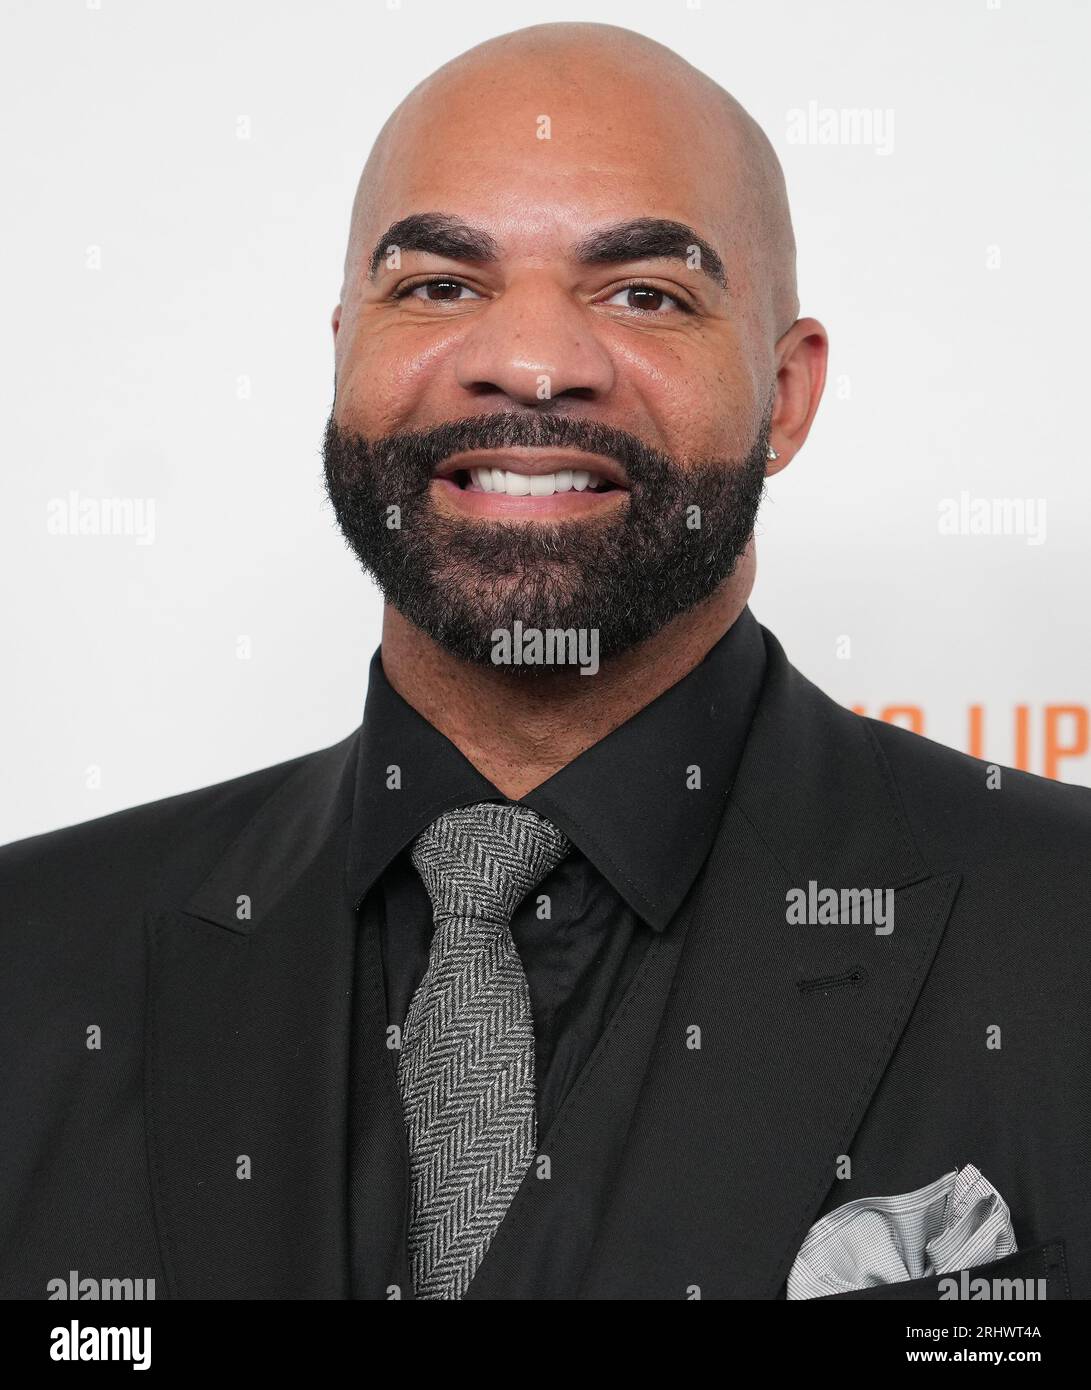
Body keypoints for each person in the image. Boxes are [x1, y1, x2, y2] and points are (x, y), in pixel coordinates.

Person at [2, 23, 1088, 1302]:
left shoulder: (1059, 936)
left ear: (784, 396)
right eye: (439, 285)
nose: (528, 363)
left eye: (643, 293)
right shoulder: (33, 956)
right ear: (343, 348)